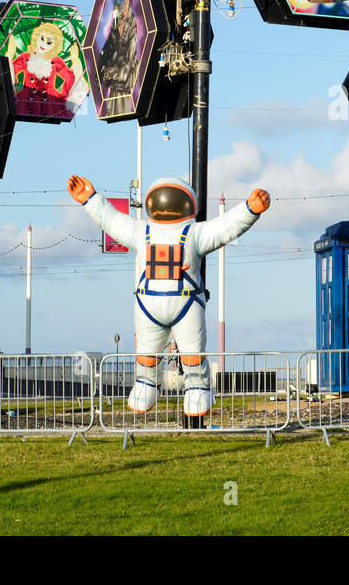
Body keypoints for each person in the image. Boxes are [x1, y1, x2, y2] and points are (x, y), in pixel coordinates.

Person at [69, 173, 269, 424]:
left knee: (191, 354)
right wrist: (91, 199)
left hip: (178, 303)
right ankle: (147, 384)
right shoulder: (147, 231)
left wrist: (249, 210)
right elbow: (111, 220)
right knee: (147, 353)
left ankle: (195, 389)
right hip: (160, 304)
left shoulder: (190, 232)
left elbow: (226, 226)